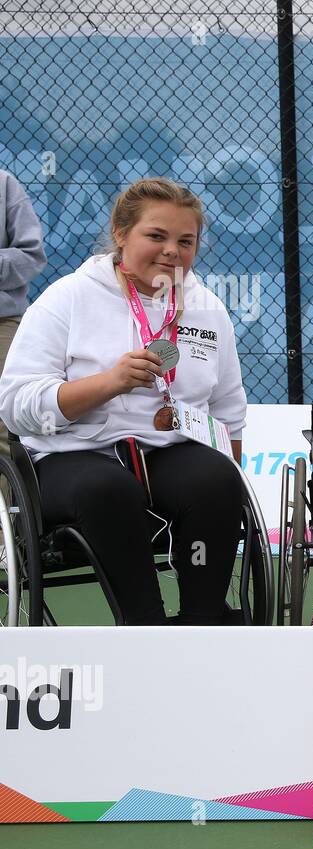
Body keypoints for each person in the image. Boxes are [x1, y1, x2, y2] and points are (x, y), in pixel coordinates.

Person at [0, 177, 249, 625]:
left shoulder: (207, 305)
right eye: (156, 236)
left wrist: (232, 467)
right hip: (74, 455)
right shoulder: (68, 298)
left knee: (216, 481)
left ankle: (203, 621)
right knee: (109, 490)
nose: (172, 250)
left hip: (167, 450)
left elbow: (228, 406)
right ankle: (144, 628)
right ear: (121, 234)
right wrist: (108, 383)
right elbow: (16, 404)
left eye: (185, 241)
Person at [0, 168, 48, 465]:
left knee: (5, 428)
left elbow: (32, 256)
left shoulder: (4, 184)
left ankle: (4, 508)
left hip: (2, 321)